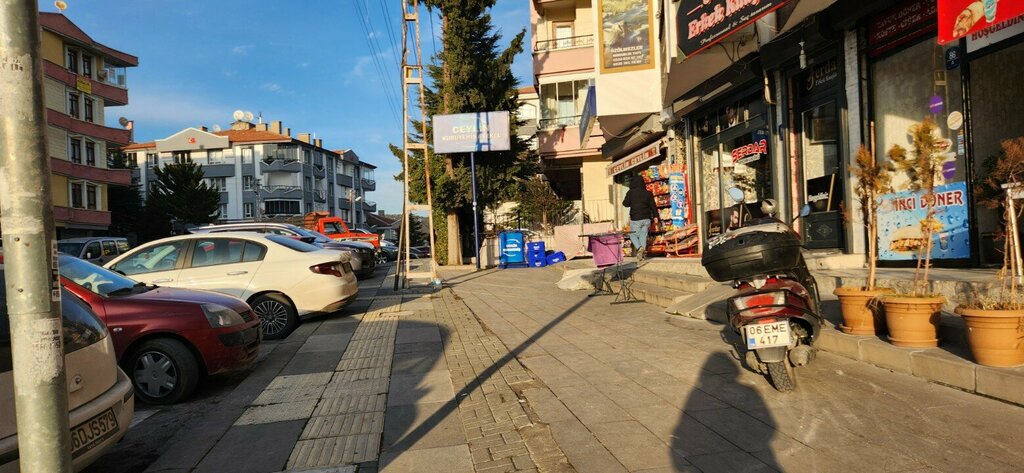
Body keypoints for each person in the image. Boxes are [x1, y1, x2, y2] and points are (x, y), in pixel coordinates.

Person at [622, 174, 658, 261]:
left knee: (632, 234)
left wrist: (632, 202)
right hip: (647, 219)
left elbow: (625, 204)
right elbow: (653, 206)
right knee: (643, 234)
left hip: (636, 219)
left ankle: (639, 248)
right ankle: (642, 253)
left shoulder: (631, 192)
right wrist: (656, 216)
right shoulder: (648, 193)